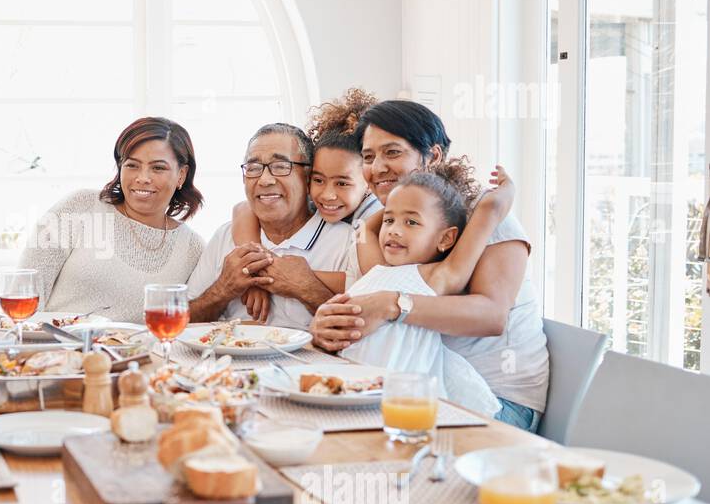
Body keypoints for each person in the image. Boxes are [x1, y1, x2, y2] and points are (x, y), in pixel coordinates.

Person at [310, 100, 549, 430]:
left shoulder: (481, 214)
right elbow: (375, 301)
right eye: (368, 157)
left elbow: (491, 316)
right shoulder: (374, 228)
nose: (377, 167)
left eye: (392, 152)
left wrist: (394, 305)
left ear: (434, 157)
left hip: (494, 399)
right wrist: (330, 327)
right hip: (413, 385)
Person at [337, 161, 515, 416]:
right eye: (389, 220)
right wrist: (404, 193)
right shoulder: (376, 267)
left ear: (445, 238)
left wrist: (506, 190)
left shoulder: (438, 276)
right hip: (350, 389)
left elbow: (490, 209)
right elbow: (364, 229)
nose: (395, 231)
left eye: (411, 222)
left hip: (398, 403)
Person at [17, 117, 205, 324]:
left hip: (136, 356)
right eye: (132, 165)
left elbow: (187, 325)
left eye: (158, 168)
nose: (143, 177)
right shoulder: (80, 207)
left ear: (181, 175)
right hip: (56, 350)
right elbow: (24, 293)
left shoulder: (192, 248)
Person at [231, 89, 381, 322]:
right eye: (319, 180)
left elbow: (367, 283)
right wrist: (254, 265)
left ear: (368, 181)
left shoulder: (372, 218)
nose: (328, 194)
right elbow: (242, 209)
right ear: (308, 177)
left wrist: (271, 271)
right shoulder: (315, 200)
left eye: (342, 183)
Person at [187, 123, 354, 326]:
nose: (265, 180)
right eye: (254, 168)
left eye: (281, 167)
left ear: (309, 176)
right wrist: (223, 289)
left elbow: (359, 331)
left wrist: (306, 287)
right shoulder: (226, 235)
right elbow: (182, 319)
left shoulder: (345, 240)